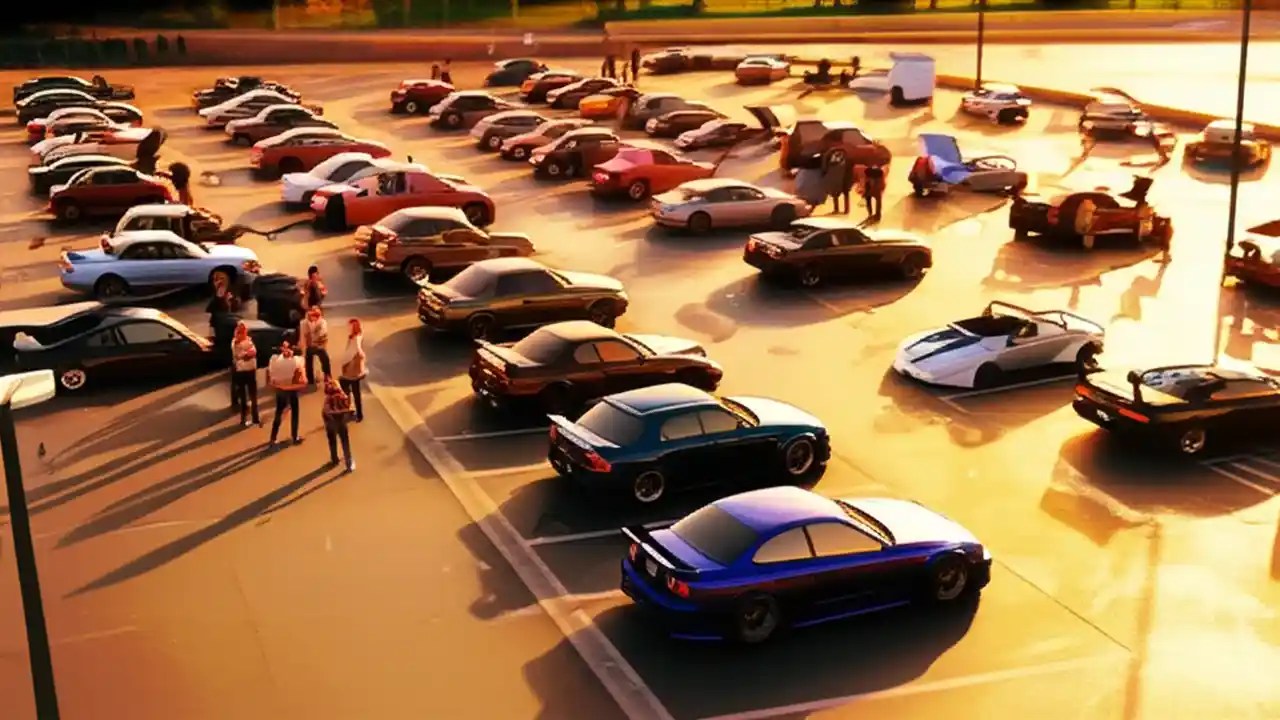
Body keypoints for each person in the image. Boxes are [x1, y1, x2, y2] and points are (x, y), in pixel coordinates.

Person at [267, 339, 305, 447]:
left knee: (279, 412)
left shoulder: (274, 360)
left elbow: (271, 374)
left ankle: (273, 438)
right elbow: (301, 370)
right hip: (291, 389)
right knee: (294, 413)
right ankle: (294, 436)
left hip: (280, 389)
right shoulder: (295, 361)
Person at [322, 377, 356, 471]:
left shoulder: (328, 400)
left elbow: (325, 412)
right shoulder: (343, 397)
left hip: (330, 423)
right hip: (341, 422)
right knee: (345, 442)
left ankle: (334, 459)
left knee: (332, 441)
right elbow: (351, 409)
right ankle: (349, 463)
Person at [231, 322, 260, 427]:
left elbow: (254, 352)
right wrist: (247, 353)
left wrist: (248, 354)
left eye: (244, 331)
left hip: (251, 370)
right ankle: (244, 419)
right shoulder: (236, 343)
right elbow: (239, 355)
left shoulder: (249, 340)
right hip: (242, 371)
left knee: (253, 396)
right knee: (243, 397)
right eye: (241, 331)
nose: (243, 333)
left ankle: (255, 418)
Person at [340, 318, 367, 422]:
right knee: (355, 390)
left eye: (350, 326)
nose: (348, 328)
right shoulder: (355, 336)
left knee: (346, 386)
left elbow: (356, 350)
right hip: (354, 368)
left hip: (352, 367)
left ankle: (351, 409)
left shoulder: (355, 338)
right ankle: (358, 413)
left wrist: (345, 363)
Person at [299, 306, 331, 386]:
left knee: (325, 359)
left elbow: (323, 333)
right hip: (309, 346)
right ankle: (310, 379)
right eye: (313, 314)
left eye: (317, 314)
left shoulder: (322, 322)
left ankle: (327, 375)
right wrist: (303, 349)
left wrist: (313, 337)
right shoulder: (303, 323)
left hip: (320, 345)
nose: (315, 317)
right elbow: (302, 336)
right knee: (308, 361)